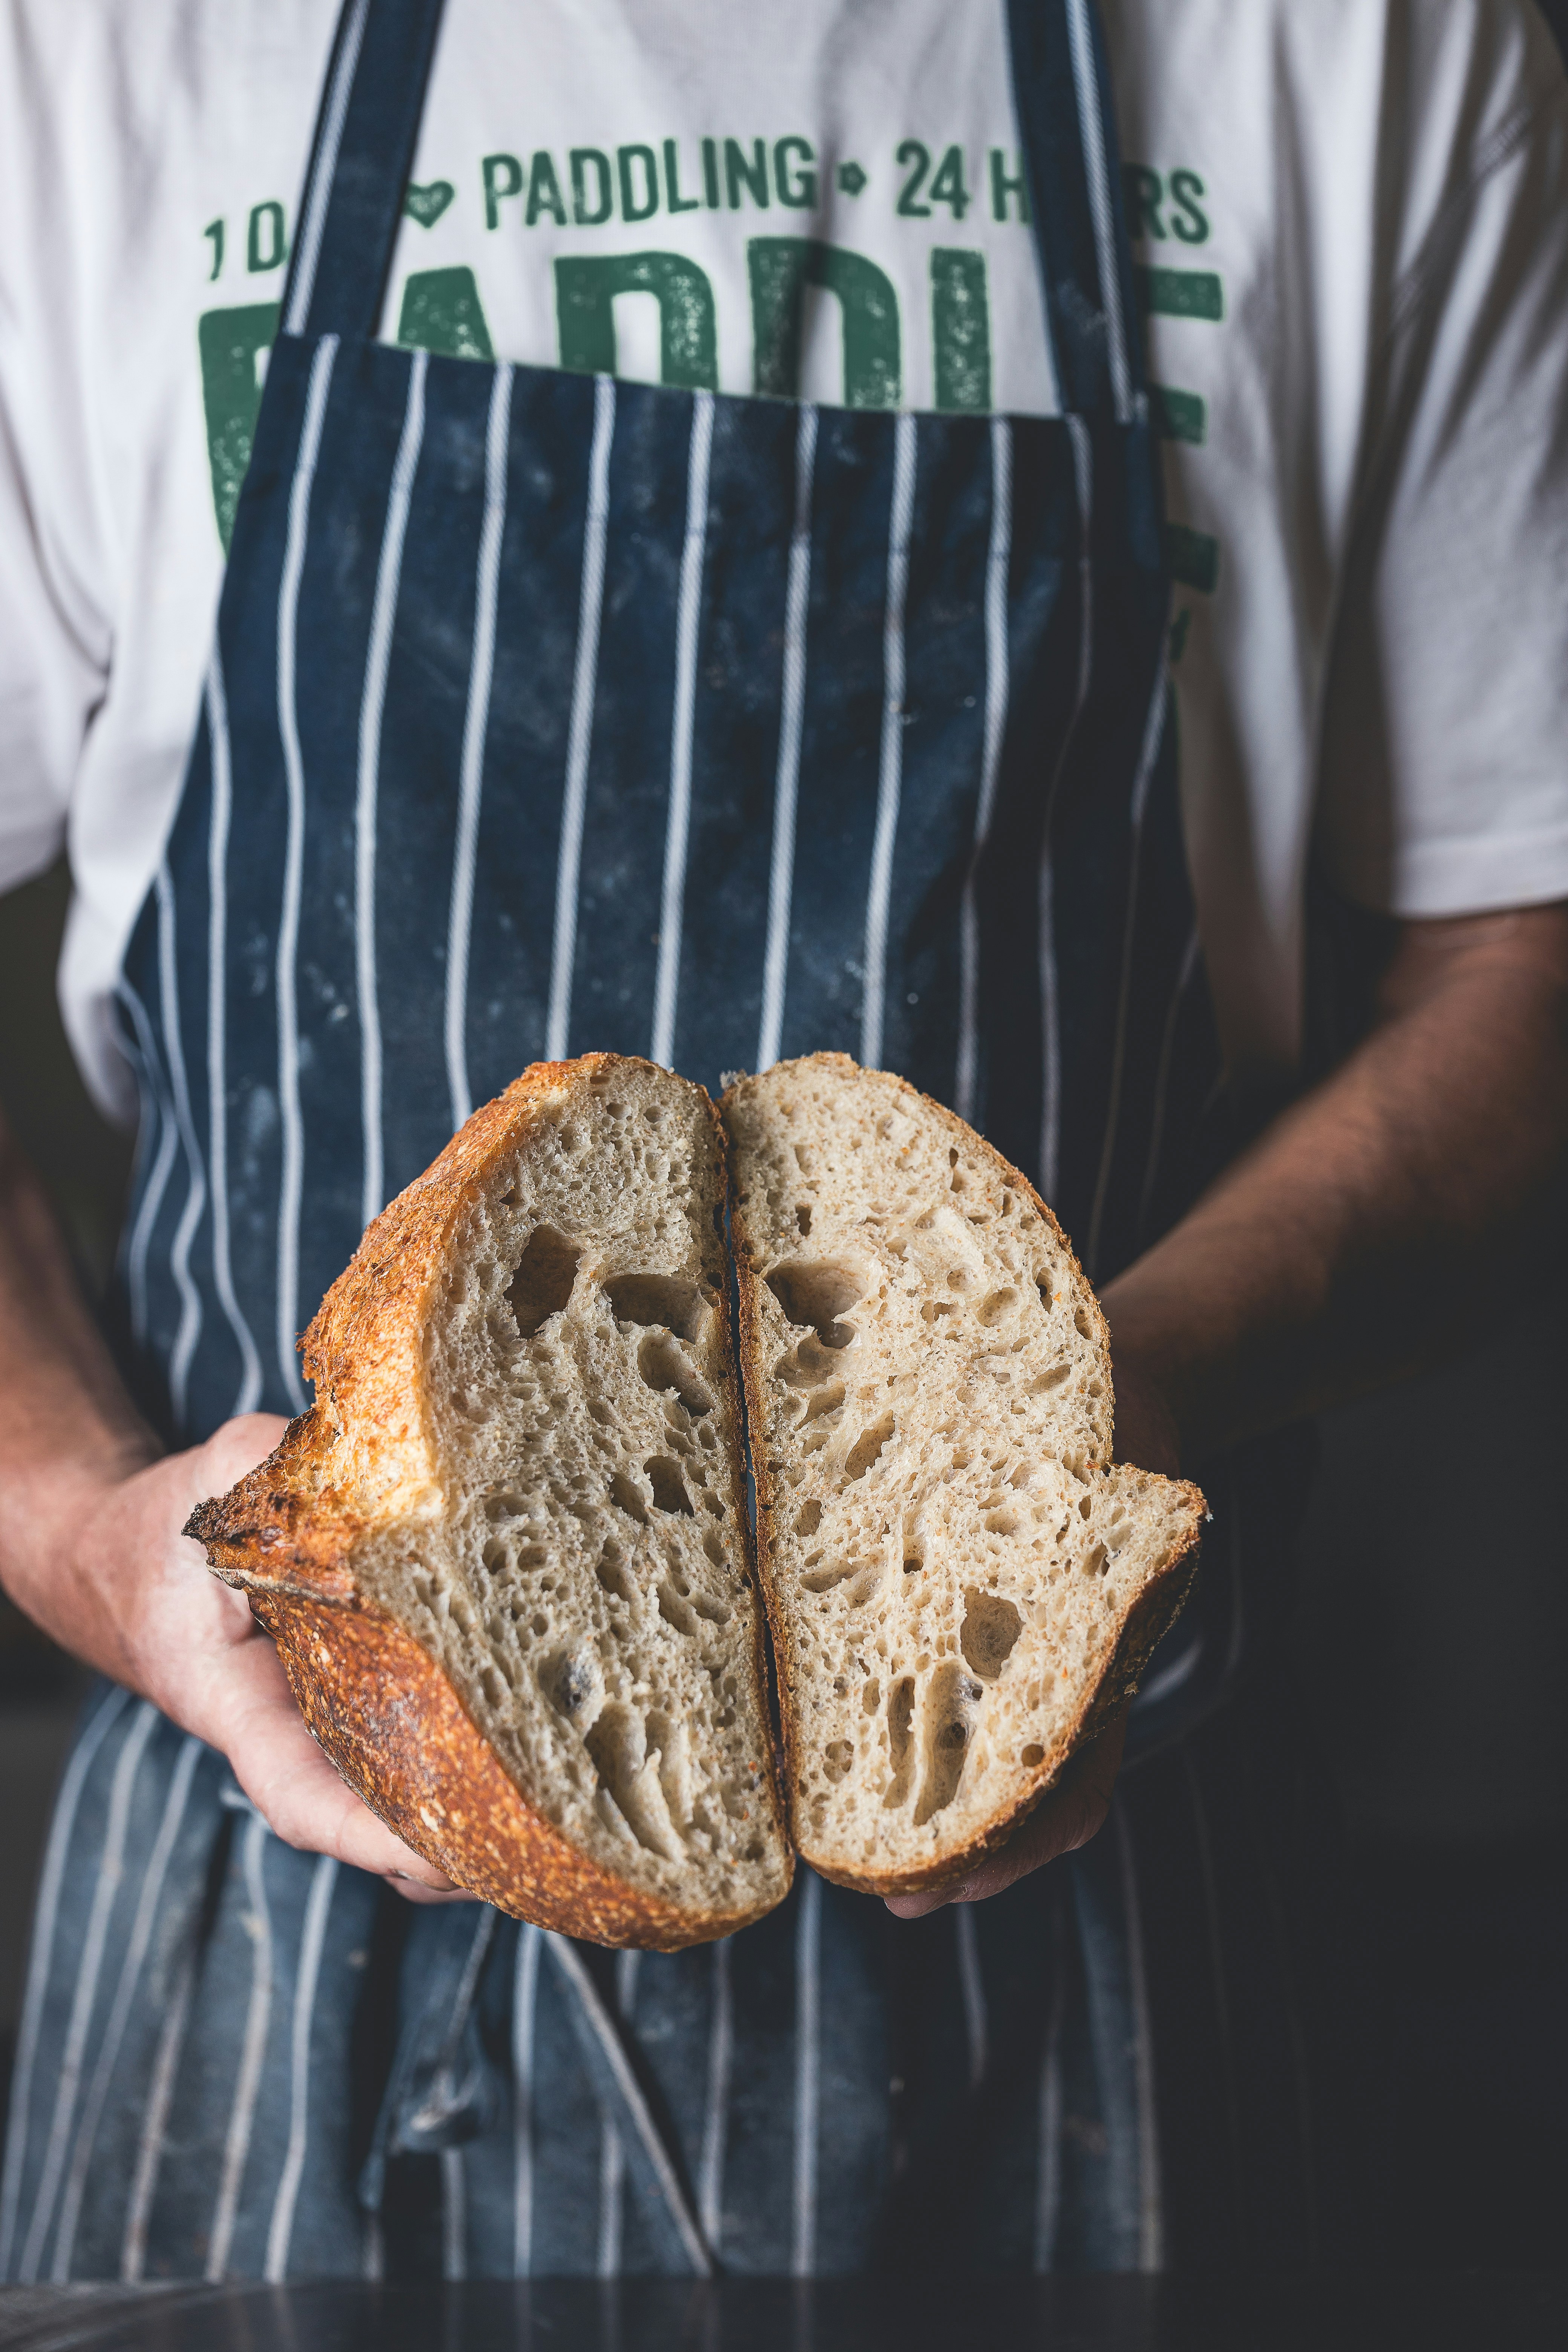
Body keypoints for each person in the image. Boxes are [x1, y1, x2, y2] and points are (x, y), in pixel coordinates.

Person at [2, 0, 1567, 2285]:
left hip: (1109, 1961)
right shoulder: (88, 49)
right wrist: (74, 1534)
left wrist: (1067, 1425)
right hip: (278, 1996)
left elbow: (1521, 952)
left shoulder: (1371, 40)